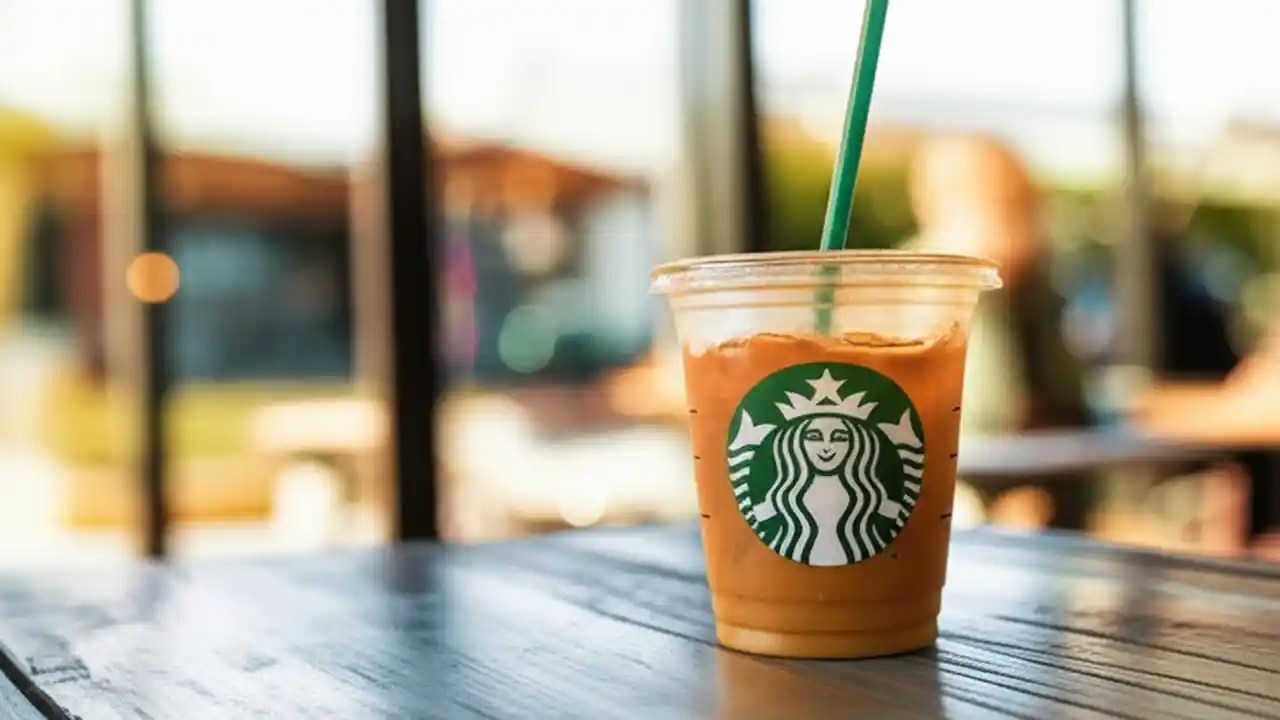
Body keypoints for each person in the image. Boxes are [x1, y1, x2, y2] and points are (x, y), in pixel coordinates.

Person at [907, 134, 1089, 527]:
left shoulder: (1038, 293)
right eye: (995, 203)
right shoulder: (909, 292)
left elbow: (1069, 402)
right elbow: (989, 416)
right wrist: (973, 286)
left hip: (1035, 497)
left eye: (1017, 206)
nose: (1013, 224)